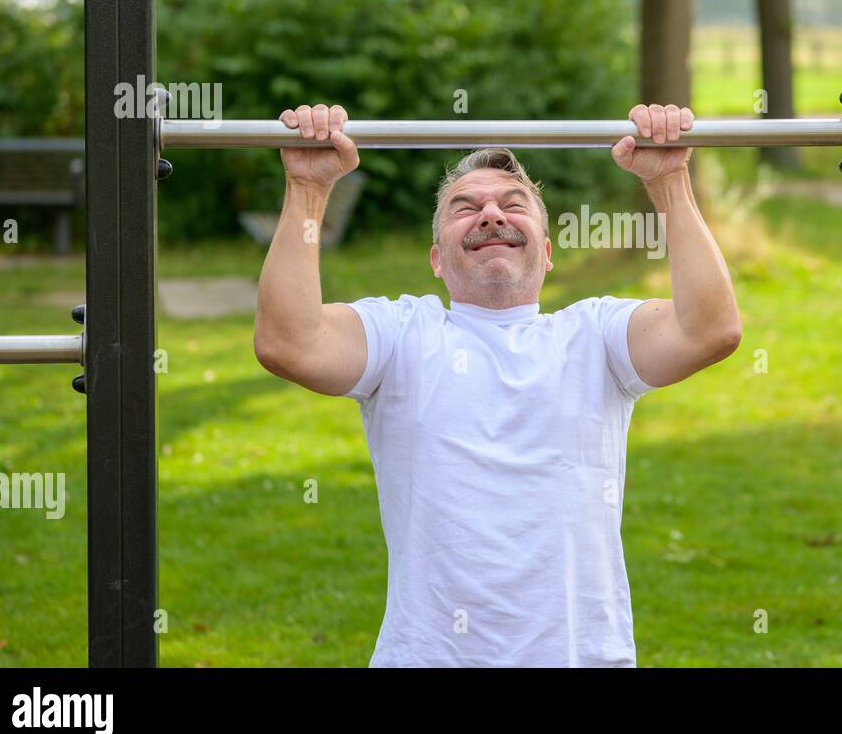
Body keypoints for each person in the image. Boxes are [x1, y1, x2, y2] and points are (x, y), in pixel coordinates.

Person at [252, 103, 742, 667]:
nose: (490, 214)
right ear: (437, 258)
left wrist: (670, 182)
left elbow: (710, 330)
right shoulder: (403, 334)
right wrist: (307, 188)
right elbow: (288, 343)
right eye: (466, 208)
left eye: (513, 205)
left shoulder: (594, 336)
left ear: (548, 252)